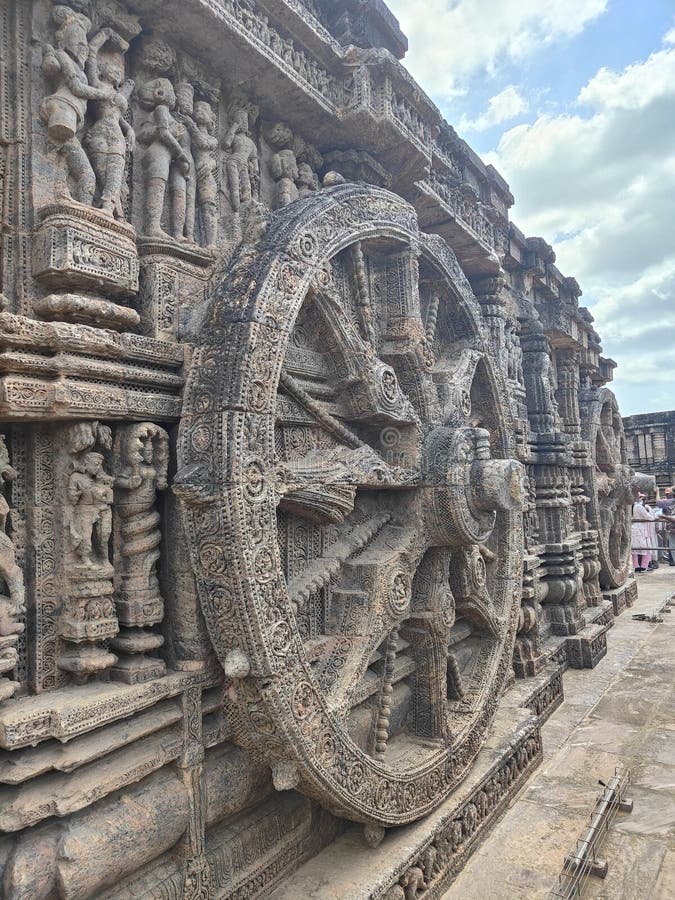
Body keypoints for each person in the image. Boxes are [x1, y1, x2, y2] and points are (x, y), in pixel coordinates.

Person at [631, 494, 656, 572]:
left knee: (635, 549)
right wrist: (654, 516)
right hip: (641, 529)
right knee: (646, 548)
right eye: (642, 498)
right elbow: (649, 517)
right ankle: (644, 566)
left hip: (636, 527)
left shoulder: (632, 506)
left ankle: (637, 566)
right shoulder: (639, 507)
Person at [655, 487, 675, 564]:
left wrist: (657, 492)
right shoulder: (668, 502)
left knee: (673, 546)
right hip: (671, 528)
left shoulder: (669, 502)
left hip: (672, 528)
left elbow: (658, 502)